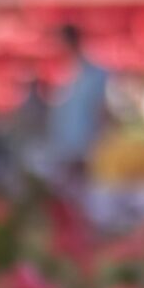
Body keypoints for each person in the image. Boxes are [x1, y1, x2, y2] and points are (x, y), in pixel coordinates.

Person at [34, 24, 111, 185]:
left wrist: (97, 146)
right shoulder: (56, 74)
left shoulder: (97, 73)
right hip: (62, 148)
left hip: (86, 148)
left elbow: (102, 110)